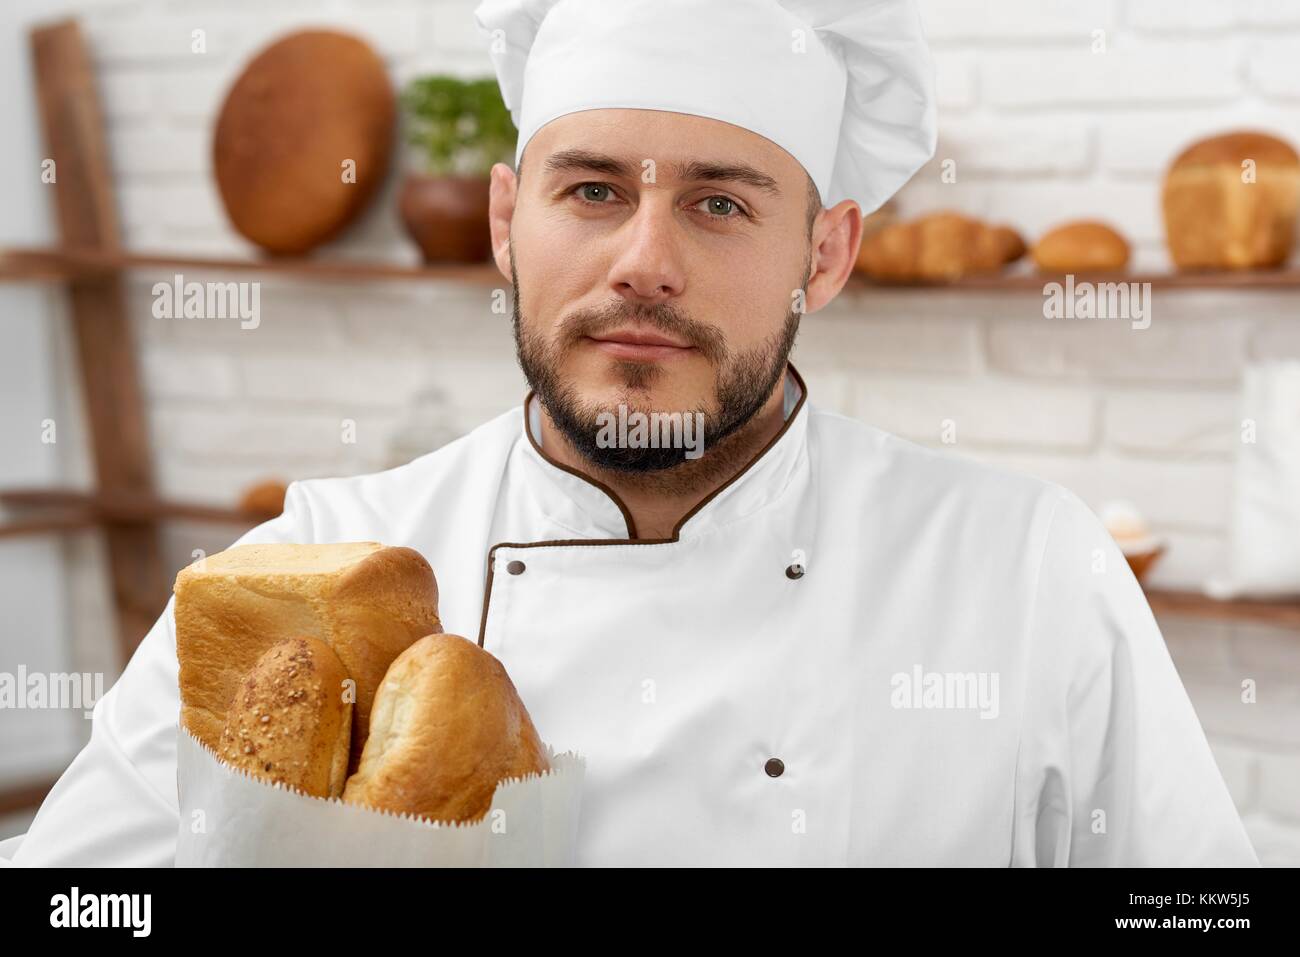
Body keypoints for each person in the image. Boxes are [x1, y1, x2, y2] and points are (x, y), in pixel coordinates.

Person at [3, 0, 1257, 866]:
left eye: (719, 202)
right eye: (592, 190)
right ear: (506, 223)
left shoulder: (1025, 565)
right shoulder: (318, 562)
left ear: (822, 257)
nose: (643, 263)